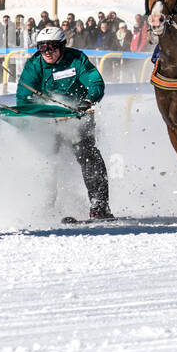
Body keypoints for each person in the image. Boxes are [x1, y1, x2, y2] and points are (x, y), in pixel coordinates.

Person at [16, 27, 113, 219]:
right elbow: (23, 97)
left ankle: (99, 206)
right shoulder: (34, 65)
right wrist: (25, 120)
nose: (47, 52)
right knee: (47, 159)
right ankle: (47, 207)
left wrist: (88, 100)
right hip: (48, 119)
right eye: (42, 48)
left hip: (79, 115)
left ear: (62, 46)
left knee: (87, 154)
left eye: (51, 47)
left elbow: (95, 81)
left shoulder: (76, 59)